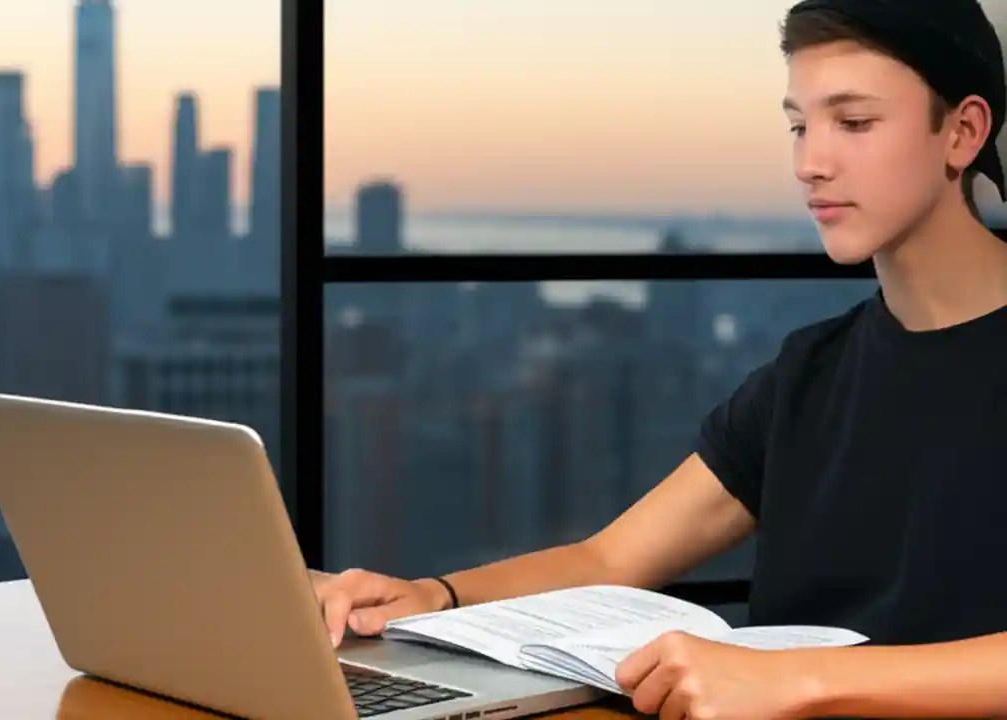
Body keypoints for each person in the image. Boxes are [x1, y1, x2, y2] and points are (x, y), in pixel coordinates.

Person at [313, 1, 1007, 718]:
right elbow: (609, 561)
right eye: (800, 126)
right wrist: (431, 597)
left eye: (854, 123)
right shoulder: (811, 372)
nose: (810, 163)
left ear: (962, 132)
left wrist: (801, 681)